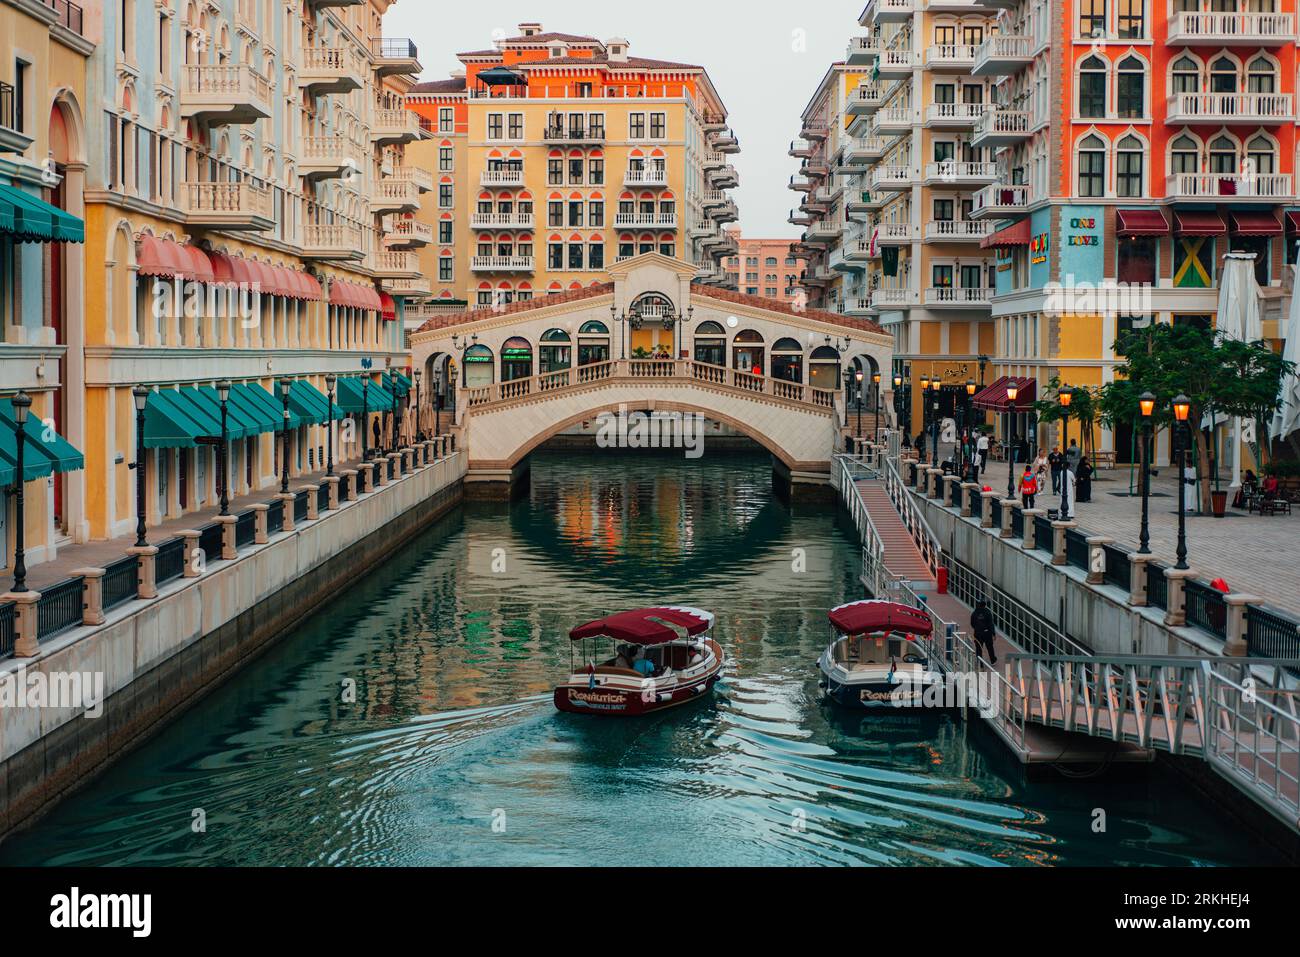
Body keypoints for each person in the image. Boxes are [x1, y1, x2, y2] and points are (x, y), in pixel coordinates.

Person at [970, 599, 997, 665]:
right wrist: (993, 633)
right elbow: (991, 624)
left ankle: (980, 663)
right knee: (990, 647)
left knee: (979, 648)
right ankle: (993, 660)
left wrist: (977, 628)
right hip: (987, 633)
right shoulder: (988, 612)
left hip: (978, 633)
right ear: (985, 605)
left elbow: (972, 623)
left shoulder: (974, 613)